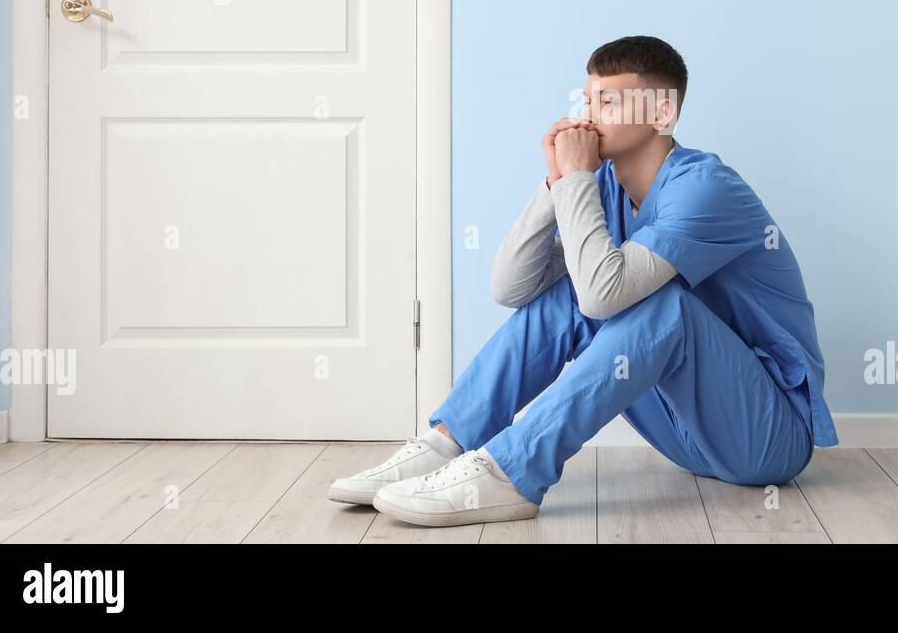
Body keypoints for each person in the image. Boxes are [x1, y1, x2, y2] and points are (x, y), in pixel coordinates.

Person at [328, 35, 838, 527]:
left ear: (661, 114)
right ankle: (446, 442)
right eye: (588, 99)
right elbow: (512, 288)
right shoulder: (601, 184)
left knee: (663, 307)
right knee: (570, 294)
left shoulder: (704, 188)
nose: (589, 116)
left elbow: (603, 296)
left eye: (610, 102)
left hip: (767, 437)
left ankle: (510, 473)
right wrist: (556, 183)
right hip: (685, 435)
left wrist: (573, 181)